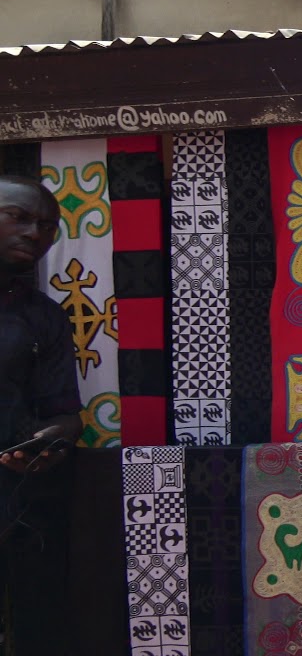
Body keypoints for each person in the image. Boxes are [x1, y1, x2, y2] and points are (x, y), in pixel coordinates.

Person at [0, 174, 82, 656]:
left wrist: (55, 439)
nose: (35, 233)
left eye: (48, 226)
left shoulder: (43, 316)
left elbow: (64, 412)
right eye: (20, 217)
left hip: (17, 504)